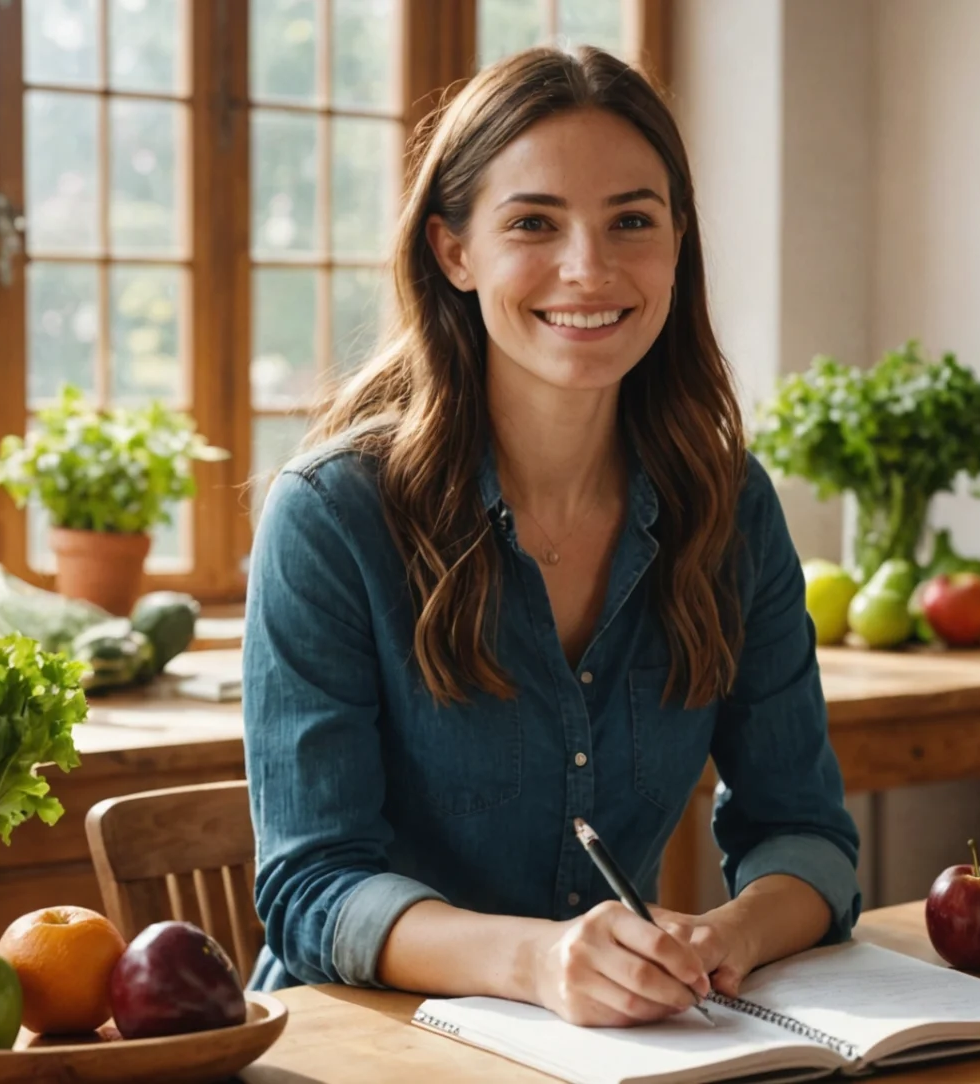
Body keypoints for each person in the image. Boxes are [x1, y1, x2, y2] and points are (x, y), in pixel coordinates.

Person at [242, 45, 859, 1028]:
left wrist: (724, 936)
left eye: (632, 221)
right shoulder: (331, 515)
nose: (590, 268)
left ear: (676, 242)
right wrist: (537, 961)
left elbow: (807, 835)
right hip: (365, 1047)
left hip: (621, 1048)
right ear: (454, 250)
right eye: (534, 221)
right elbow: (313, 887)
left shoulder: (729, 504)